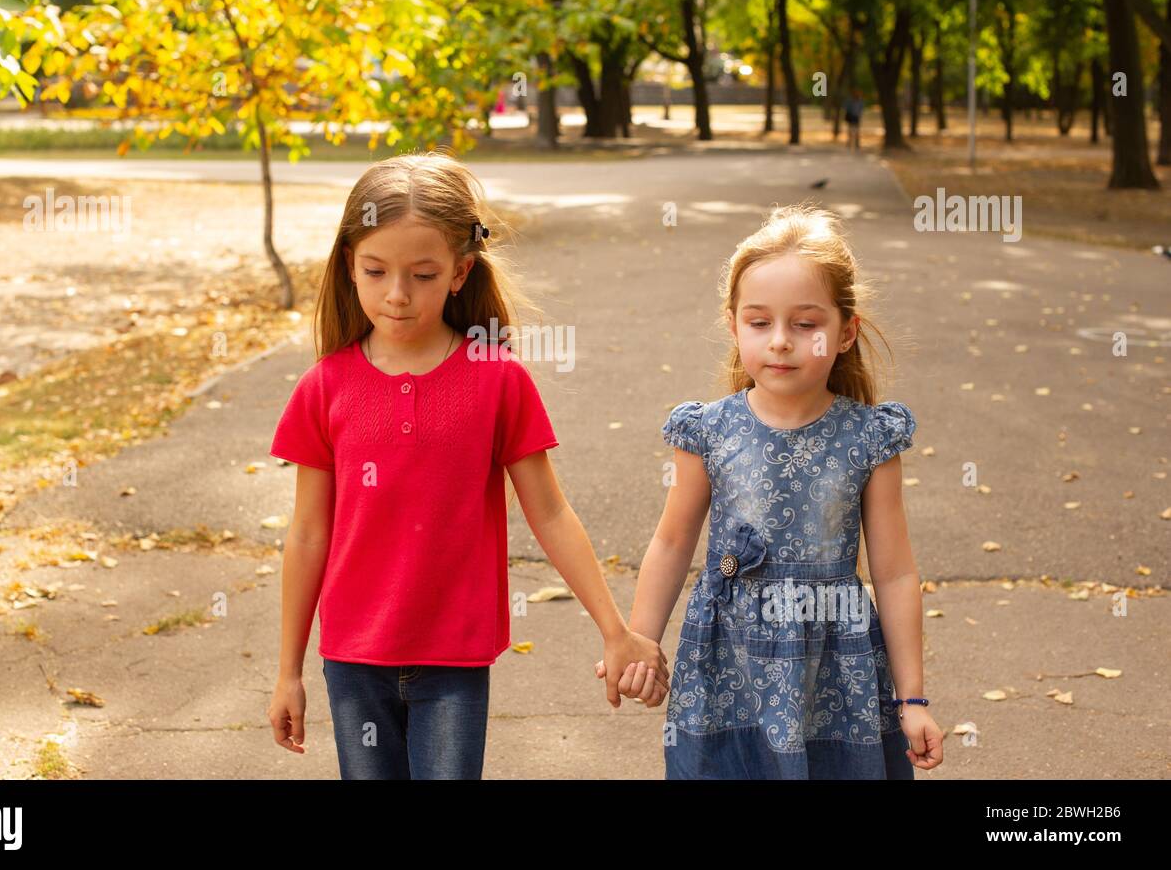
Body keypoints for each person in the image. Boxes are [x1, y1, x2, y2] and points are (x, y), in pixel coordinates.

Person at [266, 150, 667, 779]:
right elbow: (309, 534)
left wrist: (616, 630)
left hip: (454, 659)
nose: (396, 295)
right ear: (349, 267)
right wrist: (288, 671)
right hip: (352, 659)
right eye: (375, 271)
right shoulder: (324, 387)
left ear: (460, 272)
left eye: (422, 275)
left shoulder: (495, 379)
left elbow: (552, 513)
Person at [597, 204, 943, 779]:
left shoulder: (870, 438)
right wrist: (641, 642)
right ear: (733, 325)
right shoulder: (706, 431)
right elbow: (672, 542)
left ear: (845, 332)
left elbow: (896, 572)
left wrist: (912, 700)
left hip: (837, 670)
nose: (781, 341)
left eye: (806, 324)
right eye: (760, 322)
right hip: (728, 664)